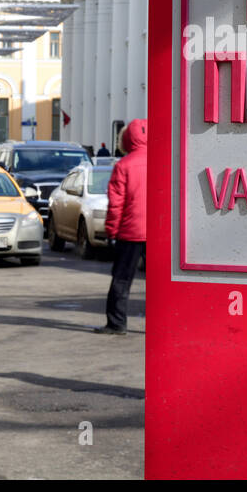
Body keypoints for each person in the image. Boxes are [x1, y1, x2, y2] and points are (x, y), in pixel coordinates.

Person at [96, 119, 146, 335]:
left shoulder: (123, 166)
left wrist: (112, 231)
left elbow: (116, 204)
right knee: (161, 283)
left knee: (122, 279)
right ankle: (166, 323)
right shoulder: (165, 160)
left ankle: (117, 323)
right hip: (160, 233)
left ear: (126, 139)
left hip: (131, 232)